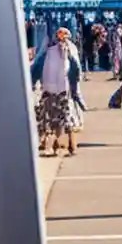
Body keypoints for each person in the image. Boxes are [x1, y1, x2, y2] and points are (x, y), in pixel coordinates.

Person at [29, 28, 82, 157]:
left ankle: (72, 145)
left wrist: (75, 86)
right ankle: (52, 145)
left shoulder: (70, 48)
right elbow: (38, 65)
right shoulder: (47, 49)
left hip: (64, 88)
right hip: (48, 88)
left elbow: (75, 67)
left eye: (64, 34)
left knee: (67, 117)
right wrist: (32, 81)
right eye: (59, 33)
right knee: (49, 118)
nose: (61, 36)